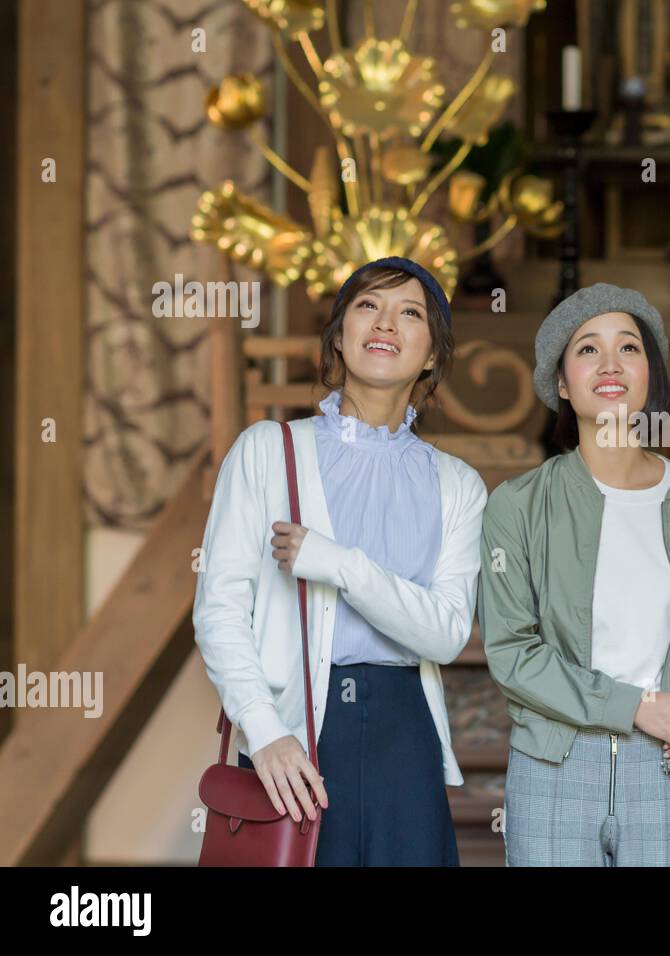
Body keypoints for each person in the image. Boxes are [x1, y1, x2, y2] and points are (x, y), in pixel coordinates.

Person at [193, 256, 487, 866]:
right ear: (339, 336)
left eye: (410, 313)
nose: (386, 323)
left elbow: (445, 633)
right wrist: (264, 731)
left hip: (404, 734)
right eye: (367, 306)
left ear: (431, 354)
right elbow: (219, 610)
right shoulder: (267, 451)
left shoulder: (458, 484)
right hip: (295, 733)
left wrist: (339, 564)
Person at [477, 282, 670, 866]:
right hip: (555, 765)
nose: (610, 364)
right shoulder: (518, 506)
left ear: (650, 374)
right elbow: (513, 651)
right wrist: (638, 706)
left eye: (629, 348)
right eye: (588, 349)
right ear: (561, 383)